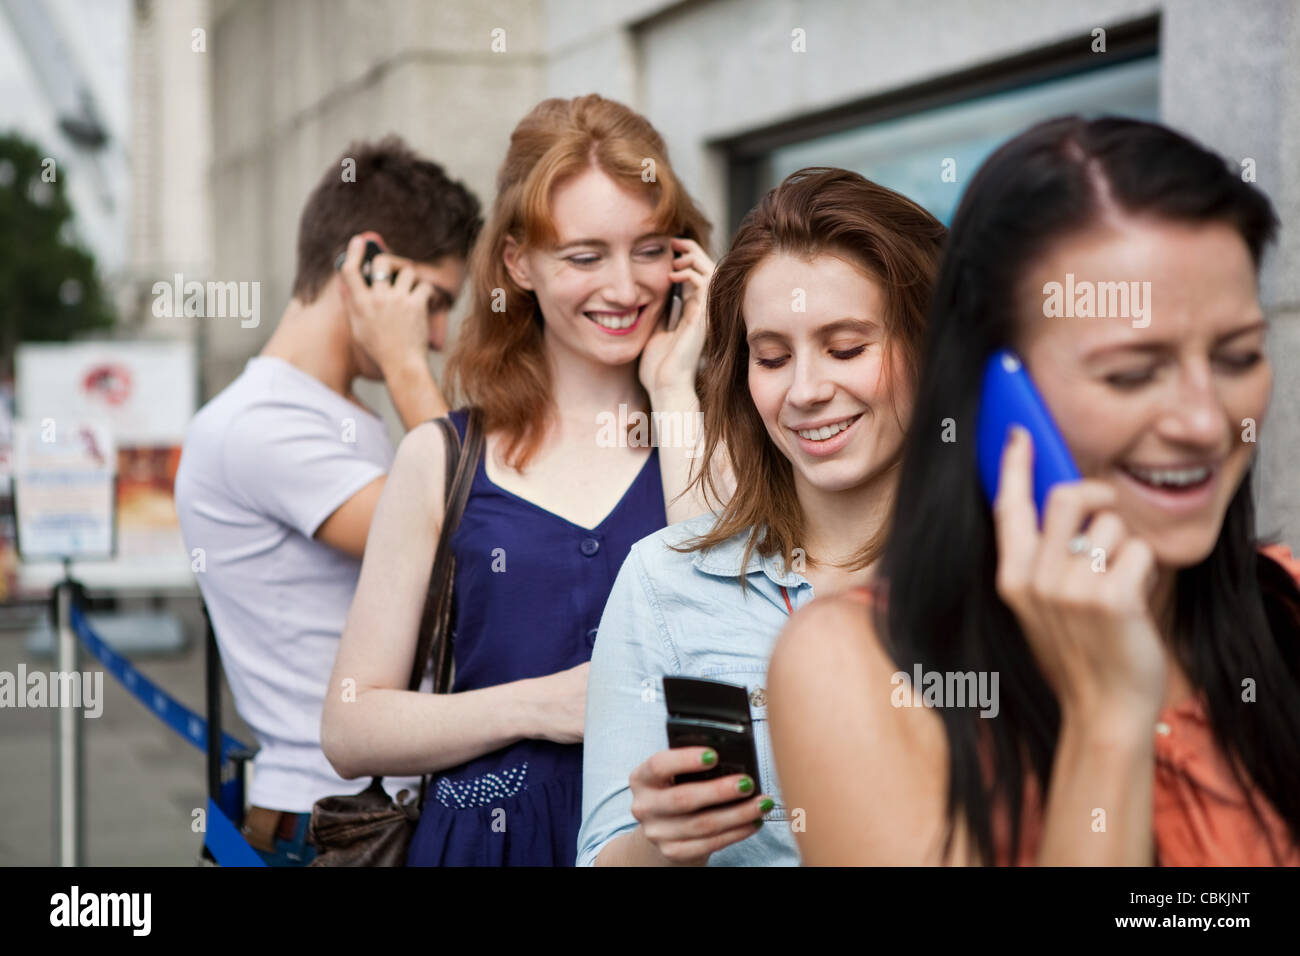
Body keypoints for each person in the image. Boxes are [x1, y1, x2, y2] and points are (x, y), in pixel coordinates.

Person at [768, 116, 1300, 866]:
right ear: (992, 392)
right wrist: (1106, 715)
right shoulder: (854, 671)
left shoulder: (1284, 607)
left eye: (1238, 356)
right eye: (1132, 373)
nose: (1205, 422)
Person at [321, 94, 719, 866]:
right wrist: (542, 705)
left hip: (666, 851)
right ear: (518, 262)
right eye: (584, 255)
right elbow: (348, 727)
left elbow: (718, 652)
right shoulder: (442, 457)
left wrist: (675, 388)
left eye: (648, 249)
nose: (626, 286)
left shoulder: (708, 434)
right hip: (482, 843)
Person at [577, 167, 947, 866]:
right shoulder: (664, 579)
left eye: (846, 349)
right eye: (772, 357)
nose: (806, 390)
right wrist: (661, 844)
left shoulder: (1025, 570)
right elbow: (601, 853)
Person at [175, 135, 482, 865]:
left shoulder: (333, 415)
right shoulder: (262, 427)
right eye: (433, 302)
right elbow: (472, 538)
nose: (438, 336)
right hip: (337, 825)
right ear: (365, 263)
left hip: (368, 811)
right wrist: (406, 365)